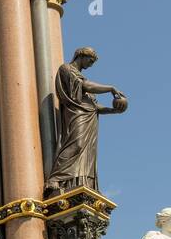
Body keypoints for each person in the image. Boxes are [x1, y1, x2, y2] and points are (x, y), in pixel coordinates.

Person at [45, 47, 127, 193]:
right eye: (90, 61)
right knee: (76, 144)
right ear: (81, 55)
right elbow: (85, 86)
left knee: (87, 154)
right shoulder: (67, 69)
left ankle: (81, 183)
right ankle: (55, 178)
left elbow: (95, 106)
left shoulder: (84, 81)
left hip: (90, 118)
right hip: (76, 115)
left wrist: (113, 110)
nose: (90, 65)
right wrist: (111, 88)